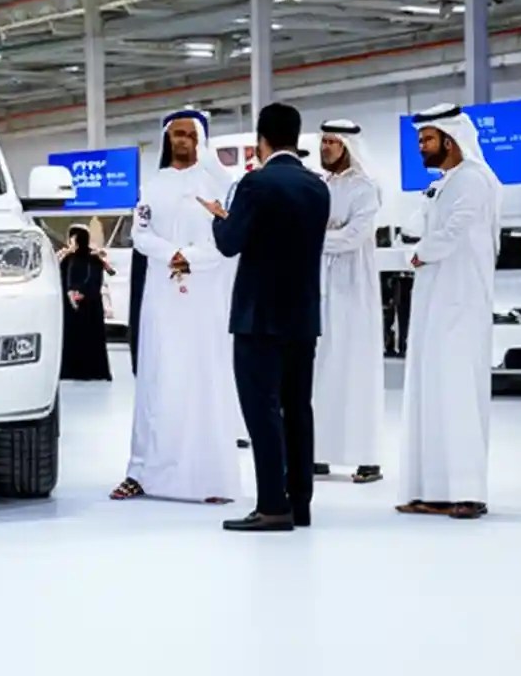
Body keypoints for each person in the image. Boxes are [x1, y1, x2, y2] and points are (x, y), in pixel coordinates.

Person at [200, 102, 329, 532]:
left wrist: (220, 219)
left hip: (258, 318)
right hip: (303, 316)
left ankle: (273, 505)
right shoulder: (318, 187)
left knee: (262, 412)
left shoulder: (254, 185)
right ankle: (301, 504)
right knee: (298, 409)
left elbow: (230, 243)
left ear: (262, 140)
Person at [110, 109, 244, 503]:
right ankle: (142, 473)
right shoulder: (155, 185)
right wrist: (173, 255)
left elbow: (228, 237)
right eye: (177, 135)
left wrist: (192, 258)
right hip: (162, 298)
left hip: (205, 298)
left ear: (201, 140)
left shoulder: (220, 185)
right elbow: (140, 233)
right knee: (156, 380)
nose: (183, 141)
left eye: (189, 134)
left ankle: (211, 479)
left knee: (204, 382)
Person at [397, 103, 503, 520]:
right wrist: (420, 248)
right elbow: (415, 225)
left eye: (427, 139)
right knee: (431, 393)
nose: (422, 146)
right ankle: (434, 490)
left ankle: (467, 492)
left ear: (451, 139)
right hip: (434, 303)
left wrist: (420, 253)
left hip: (461, 304)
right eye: (421, 139)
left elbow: (451, 233)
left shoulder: (474, 180)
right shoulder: (444, 183)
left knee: (457, 394)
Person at [312, 120, 385, 484]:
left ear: (348, 147)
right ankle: (320, 453)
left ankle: (367, 457)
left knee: (356, 368)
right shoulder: (321, 186)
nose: (325, 148)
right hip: (322, 285)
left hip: (354, 288)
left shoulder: (365, 188)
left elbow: (354, 236)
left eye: (331, 142)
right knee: (322, 369)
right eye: (322, 141)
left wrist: (314, 238)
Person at [58, 224, 113, 381]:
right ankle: (94, 371)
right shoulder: (93, 258)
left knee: (74, 338)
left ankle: (73, 371)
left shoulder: (70, 258)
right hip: (92, 305)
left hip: (73, 306)